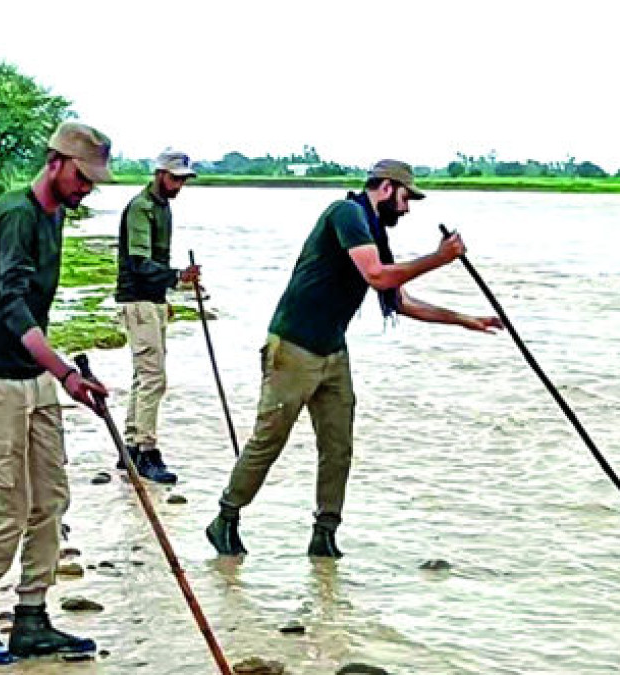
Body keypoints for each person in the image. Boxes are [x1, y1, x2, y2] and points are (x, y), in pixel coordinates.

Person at [206, 160, 503, 559]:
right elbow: (379, 277)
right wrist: (439, 257)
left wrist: (466, 320)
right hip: (294, 346)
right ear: (384, 188)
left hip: (332, 350)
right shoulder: (346, 214)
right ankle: (226, 517)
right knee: (269, 441)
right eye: (405, 198)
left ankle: (325, 534)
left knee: (338, 446)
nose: (407, 208)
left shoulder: (374, 234)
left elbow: (399, 299)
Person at [0, 122, 113, 665]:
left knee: (50, 498)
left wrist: (59, 374)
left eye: (93, 181)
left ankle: (32, 616)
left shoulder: (56, 214)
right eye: (83, 177)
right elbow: (14, 306)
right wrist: (65, 372)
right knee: (8, 507)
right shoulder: (14, 215)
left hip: (35, 375)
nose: (88, 188)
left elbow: (37, 310)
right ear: (57, 162)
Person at [114, 150, 201, 483]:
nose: (179, 184)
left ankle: (131, 449)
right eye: (175, 178)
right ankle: (146, 452)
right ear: (160, 174)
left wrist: (170, 289)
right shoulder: (142, 208)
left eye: (183, 179)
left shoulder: (163, 208)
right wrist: (177, 277)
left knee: (144, 375)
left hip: (152, 300)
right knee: (153, 378)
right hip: (138, 300)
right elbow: (139, 263)